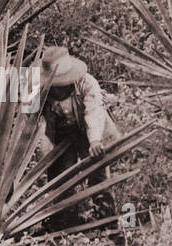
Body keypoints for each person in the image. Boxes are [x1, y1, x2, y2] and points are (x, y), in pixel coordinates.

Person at [36, 46, 120, 231]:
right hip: (61, 137)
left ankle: (108, 223)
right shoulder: (41, 92)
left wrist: (95, 140)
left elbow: (94, 111)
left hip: (88, 131)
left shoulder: (86, 83)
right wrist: (43, 159)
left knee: (98, 173)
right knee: (61, 181)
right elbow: (38, 126)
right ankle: (66, 227)